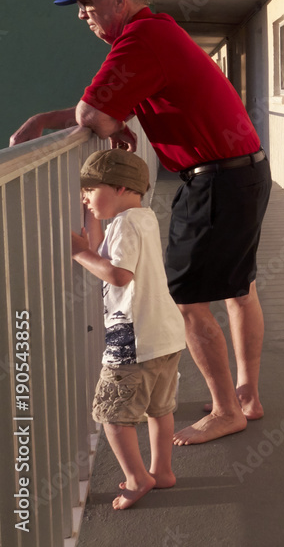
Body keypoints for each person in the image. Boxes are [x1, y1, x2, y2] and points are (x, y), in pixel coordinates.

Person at [11, 0, 271, 445]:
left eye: (87, 4)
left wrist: (58, 117)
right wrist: (78, 118)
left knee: (188, 300)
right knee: (239, 289)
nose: (82, 15)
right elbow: (106, 111)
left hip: (215, 180)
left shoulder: (140, 38)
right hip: (245, 170)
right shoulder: (158, 33)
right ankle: (248, 399)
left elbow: (94, 111)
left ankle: (225, 410)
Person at [70, 149, 187, 509]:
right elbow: (103, 241)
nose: (86, 198)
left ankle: (137, 479)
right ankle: (162, 471)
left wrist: (79, 254)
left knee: (111, 414)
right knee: (159, 408)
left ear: (119, 188)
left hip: (133, 342)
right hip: (165, 335)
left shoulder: (124, 226)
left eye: (90, 190)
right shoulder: (143, 216)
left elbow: (119, 274)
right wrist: (88, 223)